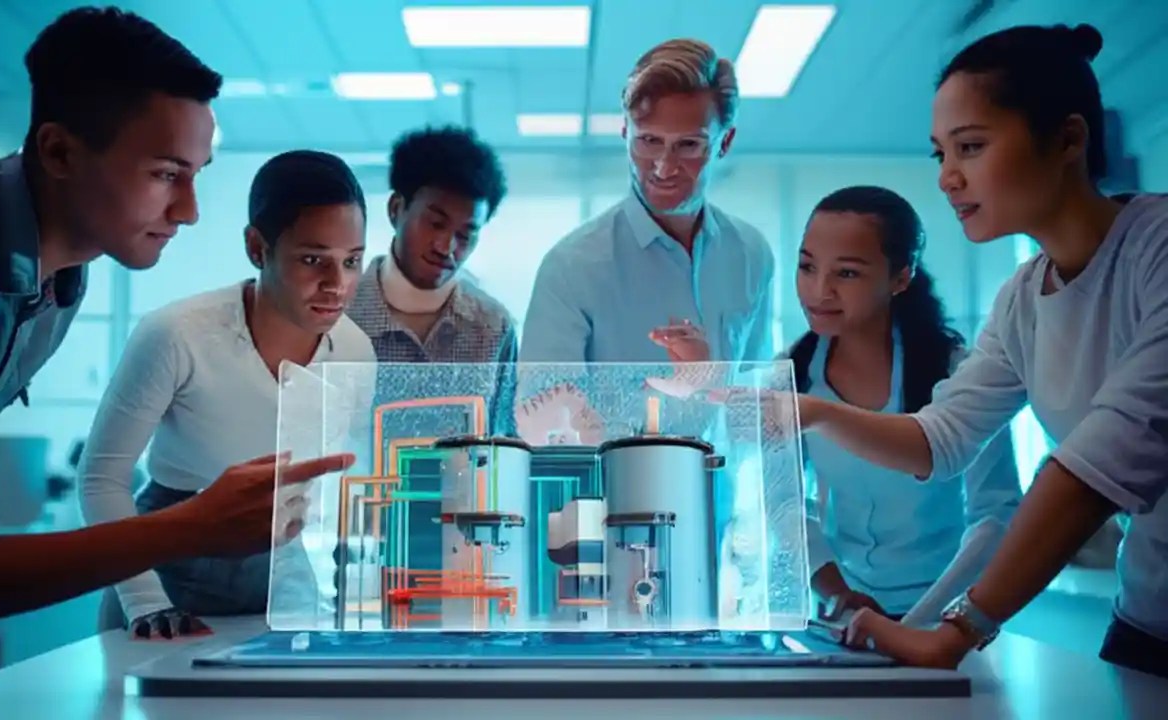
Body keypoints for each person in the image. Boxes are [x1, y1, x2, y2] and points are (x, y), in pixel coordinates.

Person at [0, 7, 350, 707]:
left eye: (197, 174)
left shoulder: (61, 272)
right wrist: (186, 530)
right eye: (167, 174)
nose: (191, 210)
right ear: (60, 152)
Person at [792, 24, 1168, 679]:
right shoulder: (1022, 298)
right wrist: (811, 413)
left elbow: (1102, 463)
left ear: (1069, 140)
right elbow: (940, 442)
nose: (946, 178)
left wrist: (957, 626)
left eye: (969, 147)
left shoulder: (1157, 252)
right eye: (939, 154)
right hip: (1148, 616)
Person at [655, 186, 1022, 624]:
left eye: (846, 274)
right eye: (807, 267)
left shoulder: (960, 375)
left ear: (901, 277)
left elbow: (994, 516)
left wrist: (931, 622)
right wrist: (839, 595)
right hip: (847, 617)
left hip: (955, 615)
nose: (819, 291)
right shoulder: (791, 373)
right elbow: (785, 506)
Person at [78, 150, 377, 638]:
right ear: (257, 248)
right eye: (312, 259)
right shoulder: (177, 334)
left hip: (283, 575)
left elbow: (340, 483)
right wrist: (146, 603)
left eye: (352, 261)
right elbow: (100, 477)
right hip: (166, 567)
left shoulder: (355, 351)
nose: (337, 285)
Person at [519, 38, 774, 367]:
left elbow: (758, 395)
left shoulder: (751, 254)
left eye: (688, 145)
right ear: (625, 133)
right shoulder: (571, 267)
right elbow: (541, 411)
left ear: (725, 141)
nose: (664, 167)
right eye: (649, 141)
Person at [346, 126, 517, 435]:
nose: (446, 247)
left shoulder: (492, 327)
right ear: (396, 209)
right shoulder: (341, 312)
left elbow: (503, 444)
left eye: (465, 234)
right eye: (435, 223)